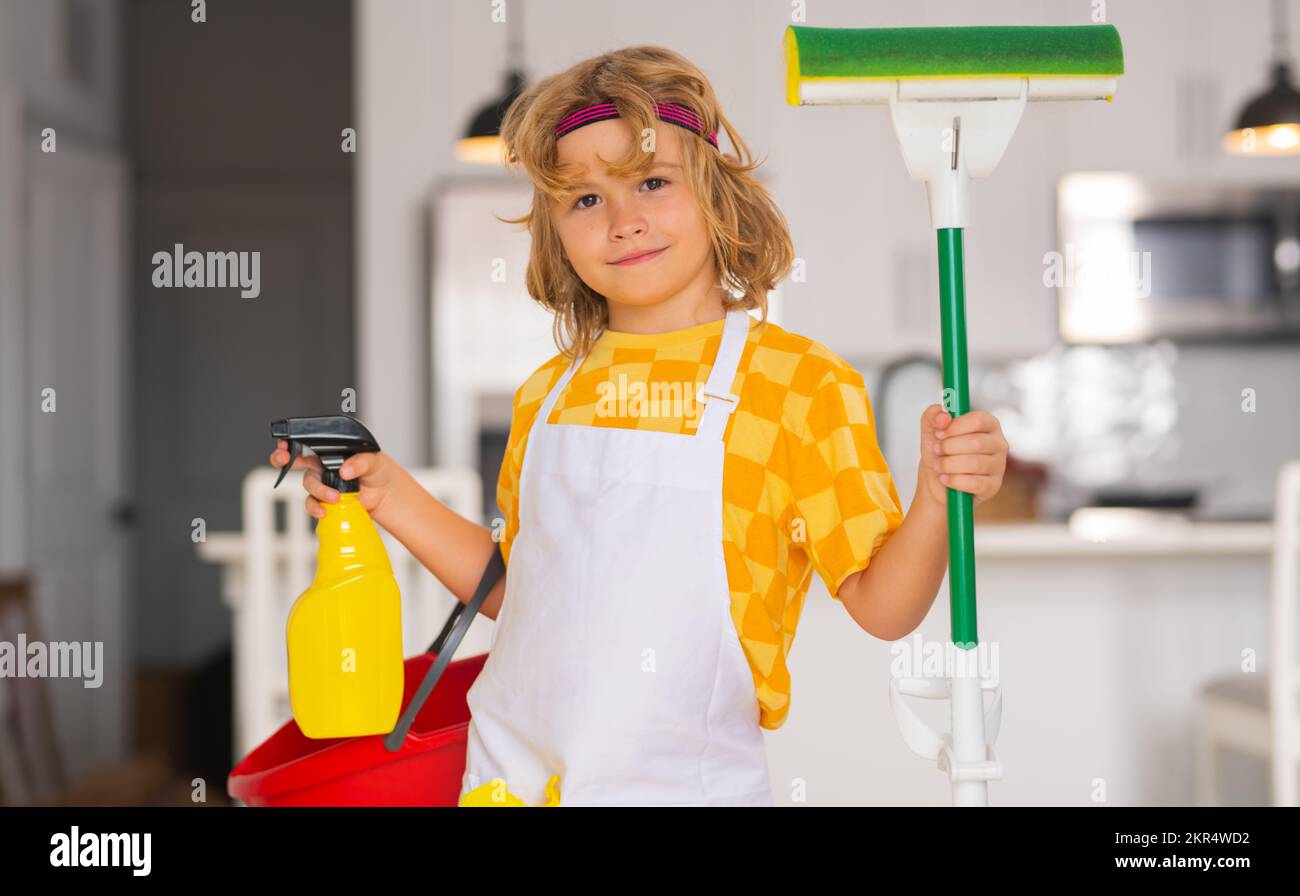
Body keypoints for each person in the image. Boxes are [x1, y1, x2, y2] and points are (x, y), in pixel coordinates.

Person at [272, 46, 1009, 807]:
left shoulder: (797, 385)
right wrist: (389, 492)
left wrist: (936, 495)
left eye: (652, 183)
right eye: (585, 200)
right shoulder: (549, 393)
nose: (624, 222)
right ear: (554, 229)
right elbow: (517, 592)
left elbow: (884, 609)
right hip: (510, 783)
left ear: (718, 197)